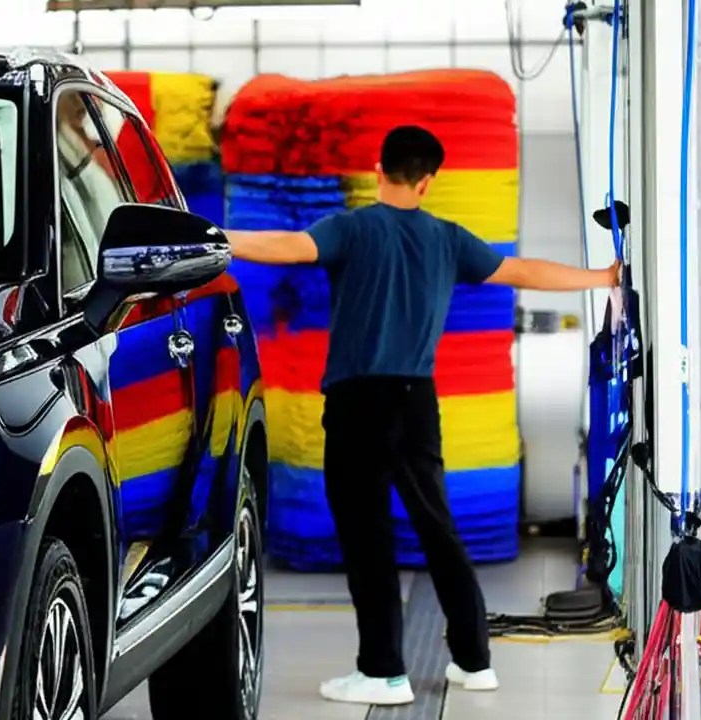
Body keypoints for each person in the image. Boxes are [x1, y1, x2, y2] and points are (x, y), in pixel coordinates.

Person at [226, 125, 619, 706]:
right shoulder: (446, 238)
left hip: (359, 401)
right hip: (417, 401)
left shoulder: (351, 227)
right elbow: (523, 272)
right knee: (438, 527)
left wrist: (214, 238)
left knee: (367, 538)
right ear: (429, 180)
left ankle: (382, 672)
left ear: (377, 168)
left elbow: (285, 247)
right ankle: (474, 659)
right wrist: (601, 279)